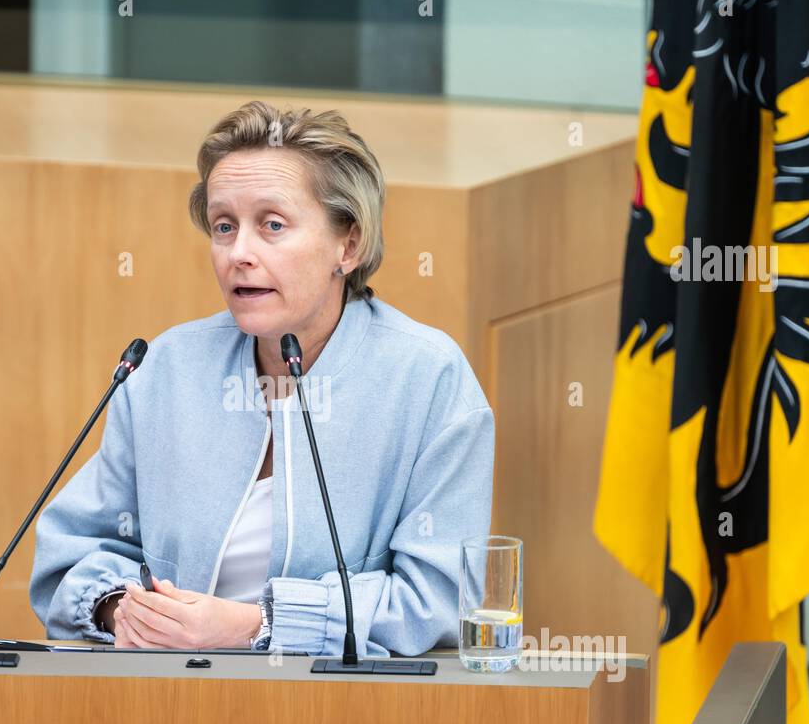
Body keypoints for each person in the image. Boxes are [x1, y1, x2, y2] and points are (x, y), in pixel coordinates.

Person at [29, 100, 494, 657]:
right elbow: (75, 550)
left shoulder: (428, 379)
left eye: (272, 225)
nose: (239, 254)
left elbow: (438, 600)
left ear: (348, 244)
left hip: (343, 716)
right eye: (224, 227)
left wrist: (257, 625)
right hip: (164, 706)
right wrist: (118, 608)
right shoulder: (166, 368)